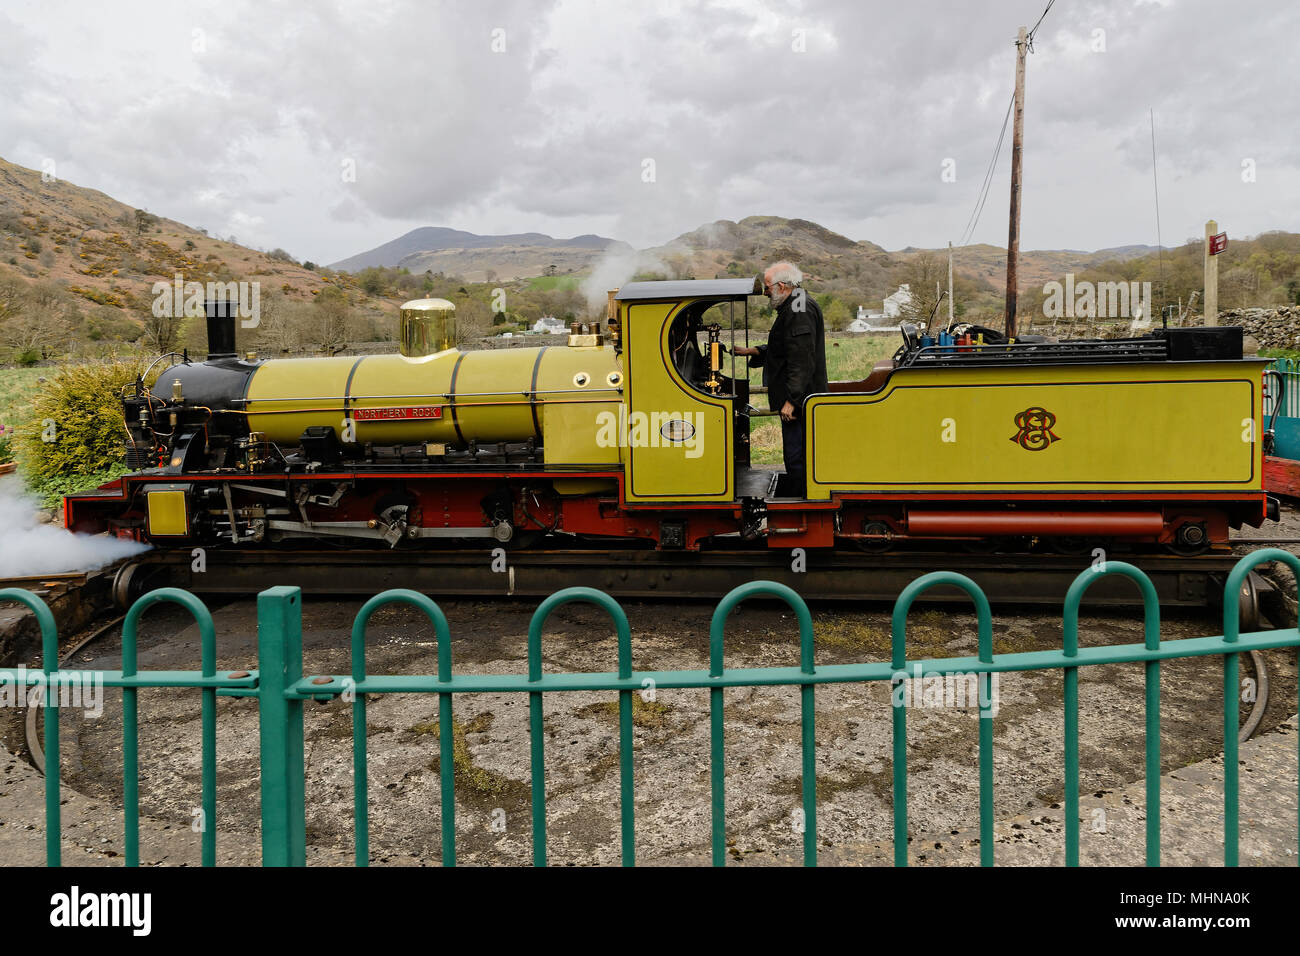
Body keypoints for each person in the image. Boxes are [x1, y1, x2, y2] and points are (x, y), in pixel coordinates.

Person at [733, 262, 827, 498]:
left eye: (767, 287)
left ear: (782, 286)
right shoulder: (795, 305)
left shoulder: (798, 309)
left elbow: (801, 359)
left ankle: (801, 504)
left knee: (796, 456)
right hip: (799, 398)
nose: (765, 293)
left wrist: (792, 401)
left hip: (800, 402)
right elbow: (784, 349)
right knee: (795, 454)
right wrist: (752, 351)